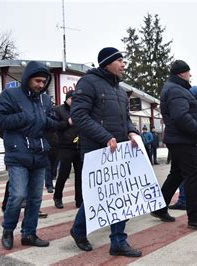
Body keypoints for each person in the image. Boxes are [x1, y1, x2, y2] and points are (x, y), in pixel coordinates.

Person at [69, 47, 142, 257]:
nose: (123, 64)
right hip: (96, 150)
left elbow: (126, 119)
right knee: (97, 197)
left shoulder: (120, 91)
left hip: (119, 151)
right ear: (107, 63)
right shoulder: (88, 83)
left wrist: (131, 132)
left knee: (121, 195)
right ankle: (79, 230)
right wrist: (105, 137)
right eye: (119, 60)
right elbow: (80, 116)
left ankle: (118, 241)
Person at [0, 61, 58, 250]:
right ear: (28, 78)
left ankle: (29, 233)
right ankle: (8, 229)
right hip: (17, 153)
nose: (41, 85)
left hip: (39, 154)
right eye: (37, 81)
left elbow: (48, 122)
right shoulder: (10, 95)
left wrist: (63, 122)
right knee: (18, 195)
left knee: (35, 198)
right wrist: (22, 117)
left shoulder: (44, 100)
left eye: (44, 82)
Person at [151, 60, 197, 231]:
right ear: (181, 73)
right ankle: (195, 218)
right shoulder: (176, 90)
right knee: (192, 177)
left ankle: (159, 207)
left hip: (179, 140)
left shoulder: (175, 88)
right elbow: (181, 116)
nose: (190, 75)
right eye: (188, 72)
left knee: (177, 174)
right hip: (184, 140)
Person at [169, 85, 197, 210]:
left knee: (187, 170)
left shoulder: (194, 103)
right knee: (193, 168)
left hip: (194, 139)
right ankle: (195, 194)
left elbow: (187, 120)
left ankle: (196, 195)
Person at [53, 90, 83, 209]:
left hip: (79, 146)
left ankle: (79, 200)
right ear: (68, 99)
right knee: (64, 174)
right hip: (65, 146)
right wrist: (68, 122)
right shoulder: (58, 110)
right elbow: (54, 126)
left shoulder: (80, 110)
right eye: (74, 100)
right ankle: (58, 196)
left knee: (80, 175)